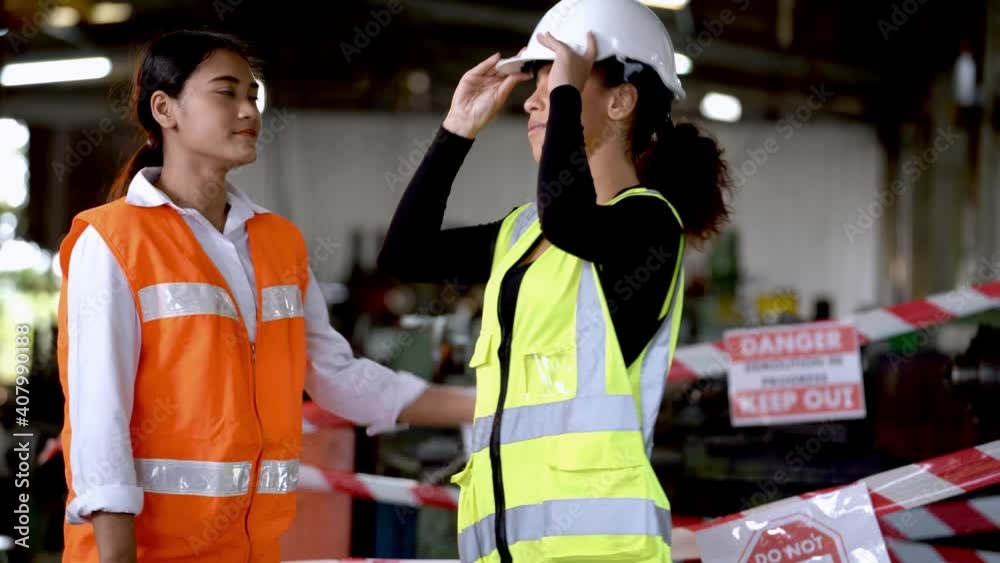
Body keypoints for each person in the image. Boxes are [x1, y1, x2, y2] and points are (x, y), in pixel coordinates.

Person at [55, 30, 474, 563]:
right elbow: (99, 422)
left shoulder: (278, 243)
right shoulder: (112, 241)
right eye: (225, 92)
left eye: (252, 95)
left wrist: (487, 405)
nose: (248, 109)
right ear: (165, 109)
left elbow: (338, 378)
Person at [377, 0, 733, 561]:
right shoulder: (524, 230)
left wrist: (563, 99)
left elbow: (572, 218)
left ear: (620, 101)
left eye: (559, 79)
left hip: (597, 550)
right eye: (537, 84)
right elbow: (405, 253)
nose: (534, 101)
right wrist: (456, 131)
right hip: (505, 546)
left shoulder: (649, 225)